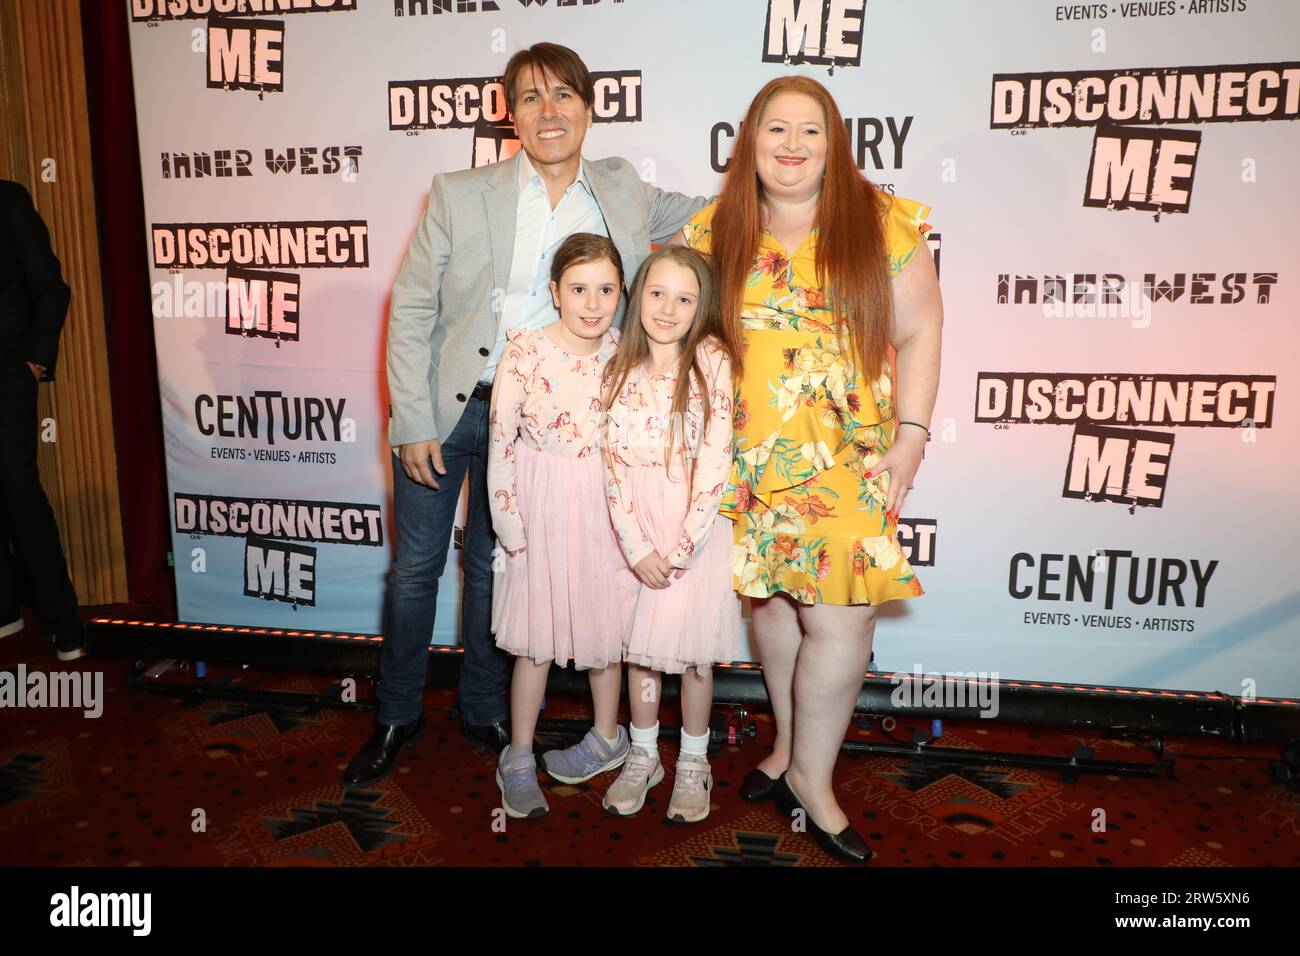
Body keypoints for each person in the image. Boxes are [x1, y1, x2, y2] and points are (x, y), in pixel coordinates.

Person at [343, 43, 706, 786]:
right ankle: (396, 715)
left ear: (590, 108)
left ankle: (481, 707)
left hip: (543, 432)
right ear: (509, 112)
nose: (550, 112)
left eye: (565, 95)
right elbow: (411, 305)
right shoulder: (458, 191)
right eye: (533, 97)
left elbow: (715, 213)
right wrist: (412, 417)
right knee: (415, 571)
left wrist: (806, 187)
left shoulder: (623, 189)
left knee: (492, 572)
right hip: (448, 411)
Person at [681, 77, 943, 862]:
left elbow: (924, 331)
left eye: (809, 132)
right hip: (746, 458)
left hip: (848, 458)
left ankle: (814, 781)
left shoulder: (883, 222)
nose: (791, 147)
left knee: (841, 616)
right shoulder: (710, 230)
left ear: (834, 143)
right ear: (749, 143)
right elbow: (682, 340)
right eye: (774, 131)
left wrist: (911, 439)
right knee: (771, 608)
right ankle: (789, 752)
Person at [488, 233, 632, 818]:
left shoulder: (625, 350)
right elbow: (501, 443)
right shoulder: (523, 350)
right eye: (578, 289)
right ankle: (518, 753)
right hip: (538, 506)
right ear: (555, 292)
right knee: (535, 641)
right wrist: (509, 523)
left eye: (606, 289)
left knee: (605, 635)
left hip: (604, 509)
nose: (593, 303)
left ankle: (607, 737)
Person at [598, 246, 739, 822]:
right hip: (637, 535)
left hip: (693, 535)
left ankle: (694, 762)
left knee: (695, 657)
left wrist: (682, 548)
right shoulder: (618, 363)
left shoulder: (712, 361)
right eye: (657, 294)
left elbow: (716, 460)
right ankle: (641, 754)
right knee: (644, 657)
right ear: (639, 296)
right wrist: (636, 546)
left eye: (685, 298)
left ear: (701, 306)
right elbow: (609, 464)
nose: (668, 308)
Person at [0, 179, 85, 662]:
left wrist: (33, 362)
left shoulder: (8, 200)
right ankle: (3, 610)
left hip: (6, 376)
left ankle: (64, 623)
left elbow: (51, 287)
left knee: (19, 491)